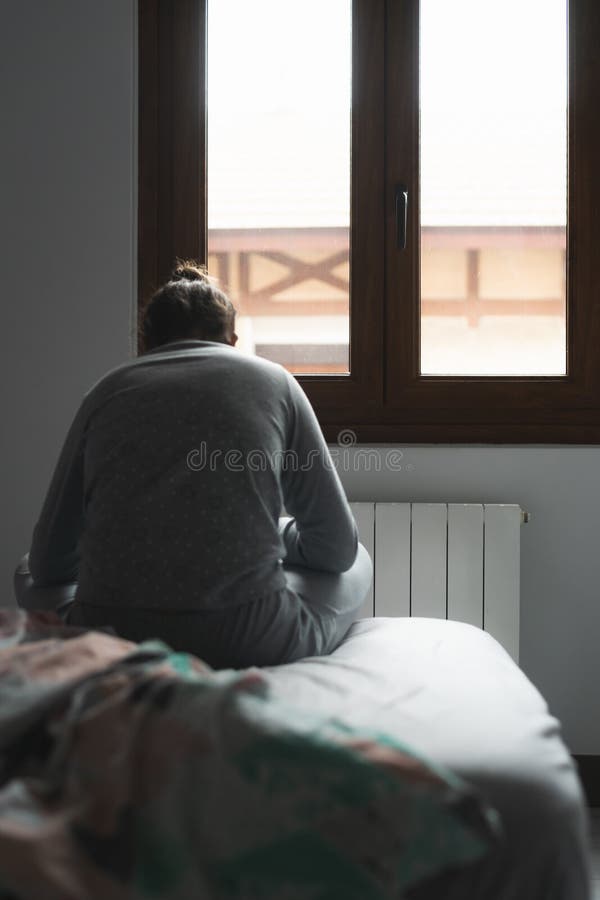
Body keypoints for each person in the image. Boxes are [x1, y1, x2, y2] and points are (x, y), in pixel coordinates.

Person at [15, 262, 372, 668]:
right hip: (249, 636)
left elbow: (48, 563)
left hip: (114, 636)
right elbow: (336, 548)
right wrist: (275, 534)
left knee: (26, 570)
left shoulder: (105, 393)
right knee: (356, 559)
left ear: (146, 339)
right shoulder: (275, 383)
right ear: (232, 338)